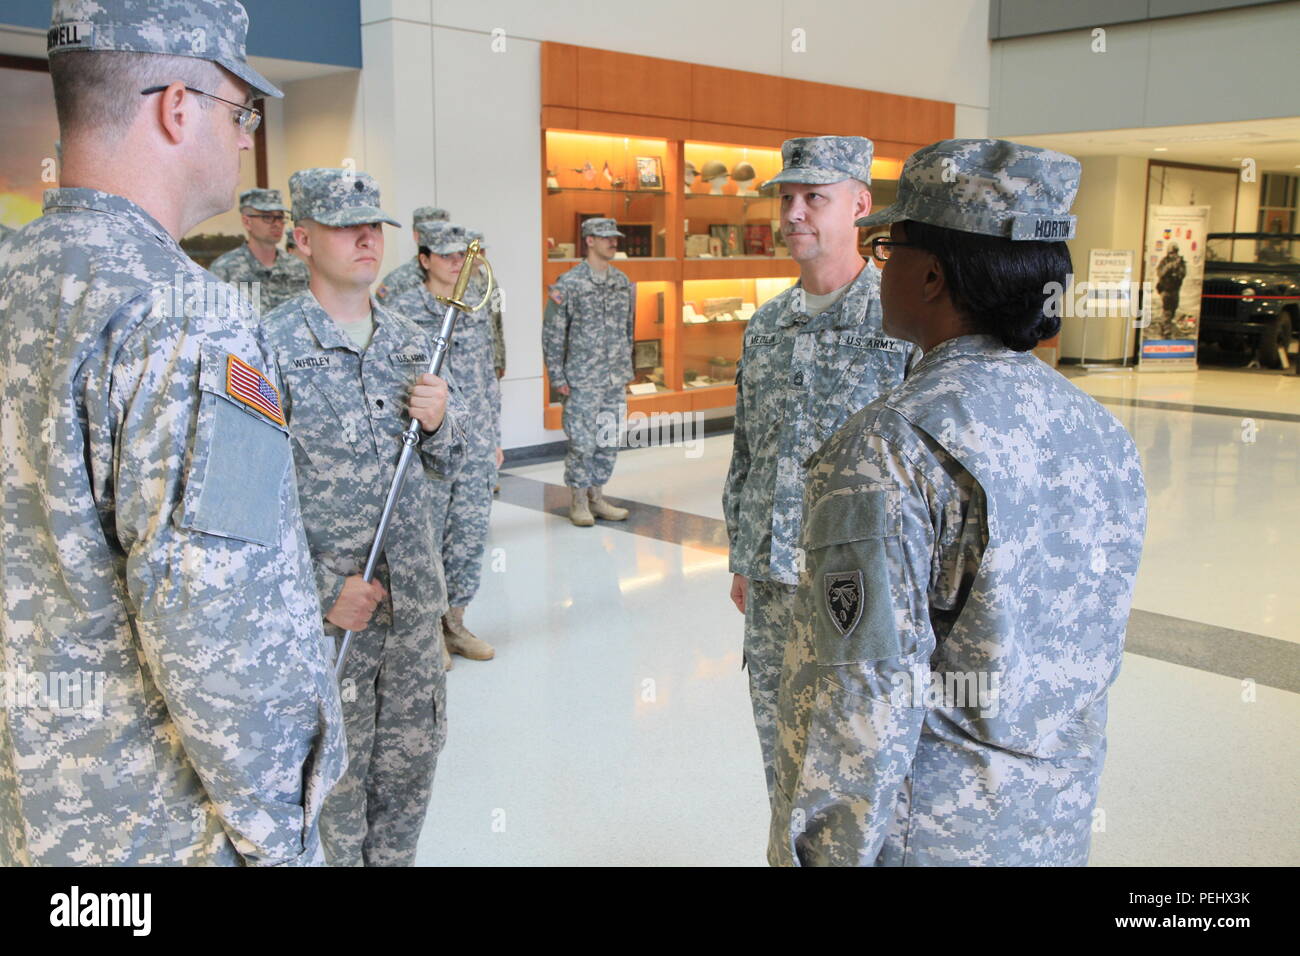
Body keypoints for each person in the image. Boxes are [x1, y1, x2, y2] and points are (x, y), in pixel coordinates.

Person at [0, 0, 345, 866]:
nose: (243, 139)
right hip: (157, 832)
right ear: (176, 106)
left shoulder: (16, 274)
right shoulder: (192, 320)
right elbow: (224, 626)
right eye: (241, 112)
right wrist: (281, 834)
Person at [769, 139, 1147, 867]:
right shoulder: (1099, 430)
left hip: (929, 836)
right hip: (1051, 825)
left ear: (932, 275)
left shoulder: (892, 445)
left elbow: (861, 698)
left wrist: (817, 856)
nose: (882, 267)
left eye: (890, 247)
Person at [262, 168, 464, 866]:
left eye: (374, 226)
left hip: (411, 621)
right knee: (334, 804)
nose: (366, 239)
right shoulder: (264, 349)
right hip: (329, 630)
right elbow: (247, 506)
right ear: (304, 239)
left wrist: (441, 426)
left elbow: (449, 465)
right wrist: (322, 590)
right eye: (348, 227)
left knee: (407, 788)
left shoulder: (413, 343)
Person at [720, 136, 916, 807]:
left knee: (856, 766)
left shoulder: (901, 325)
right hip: (774, 586)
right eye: (787, 197)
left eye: (814, 197)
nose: (794, 212)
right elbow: (748, 454)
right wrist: (743, 557)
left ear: (861, 206)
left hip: (862, 593)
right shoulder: (767, 325)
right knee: (782, 757)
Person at [389, 222, 500, 666]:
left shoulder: (476, 307)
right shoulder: (400, 313)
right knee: (427, 538)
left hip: (475, 444)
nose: (458, 263)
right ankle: (428, 630)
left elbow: (489, 379)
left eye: (463, 256)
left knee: (468, 537)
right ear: (424, 259)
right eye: (447, 255)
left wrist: (495, 438)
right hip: (427, 449)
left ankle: (455, 623)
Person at [542, 217, 635, 526]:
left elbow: (628, 329)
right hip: (582, 378)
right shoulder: (568, 284)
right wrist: (557, 377)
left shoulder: (622, 281)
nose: (613, 242)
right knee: (582, 443)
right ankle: (578, 501)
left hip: (614, 377)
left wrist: (626, 370)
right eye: (605, 237)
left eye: (614, 237)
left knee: (608, 440)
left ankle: (597, 496)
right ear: (589, 241)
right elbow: (553, 334)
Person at [207, 187, 309, 313]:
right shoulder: (224, 270)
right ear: (247, 222)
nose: (277, 224)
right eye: (267, 217)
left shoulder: (297, 267)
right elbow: (213, 321)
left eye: (280, 217)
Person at [376, 205, 449, 303]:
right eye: (431, 234)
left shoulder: (458, 277)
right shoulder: (396, 281)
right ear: (416, 236)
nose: (438, 239)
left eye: (445, 233)